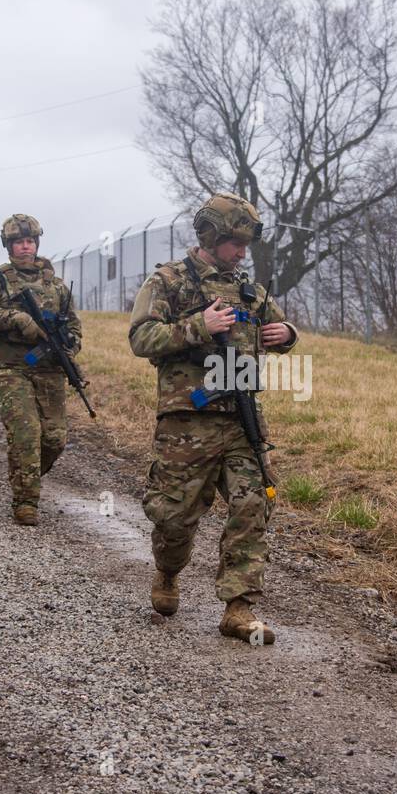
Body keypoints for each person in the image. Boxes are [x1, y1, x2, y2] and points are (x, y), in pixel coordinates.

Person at [128, 192, 298, 644]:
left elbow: (277, 326)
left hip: (241, 417)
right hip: (189, 420)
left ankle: (238, 607)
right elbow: (142, 338)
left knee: (253, 501)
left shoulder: (247, 290)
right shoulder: (169, 281)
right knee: (174, 516)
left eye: (246, 244)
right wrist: (198, 326)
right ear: (210, 236)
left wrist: (287, 335)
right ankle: (167, 570)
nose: (241, 253)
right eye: (233, 243)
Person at [0, 214, 81, 526]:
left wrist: (70, 346)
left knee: (55, 438)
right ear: (9, 246)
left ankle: (25, 473)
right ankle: (25, 500)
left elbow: (73, 324)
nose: (25, 247)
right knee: (26, 433)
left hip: (49, 368)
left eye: (30, 241)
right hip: (9, 366)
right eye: (19, 242)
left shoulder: (57, 285)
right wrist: (20, 320)